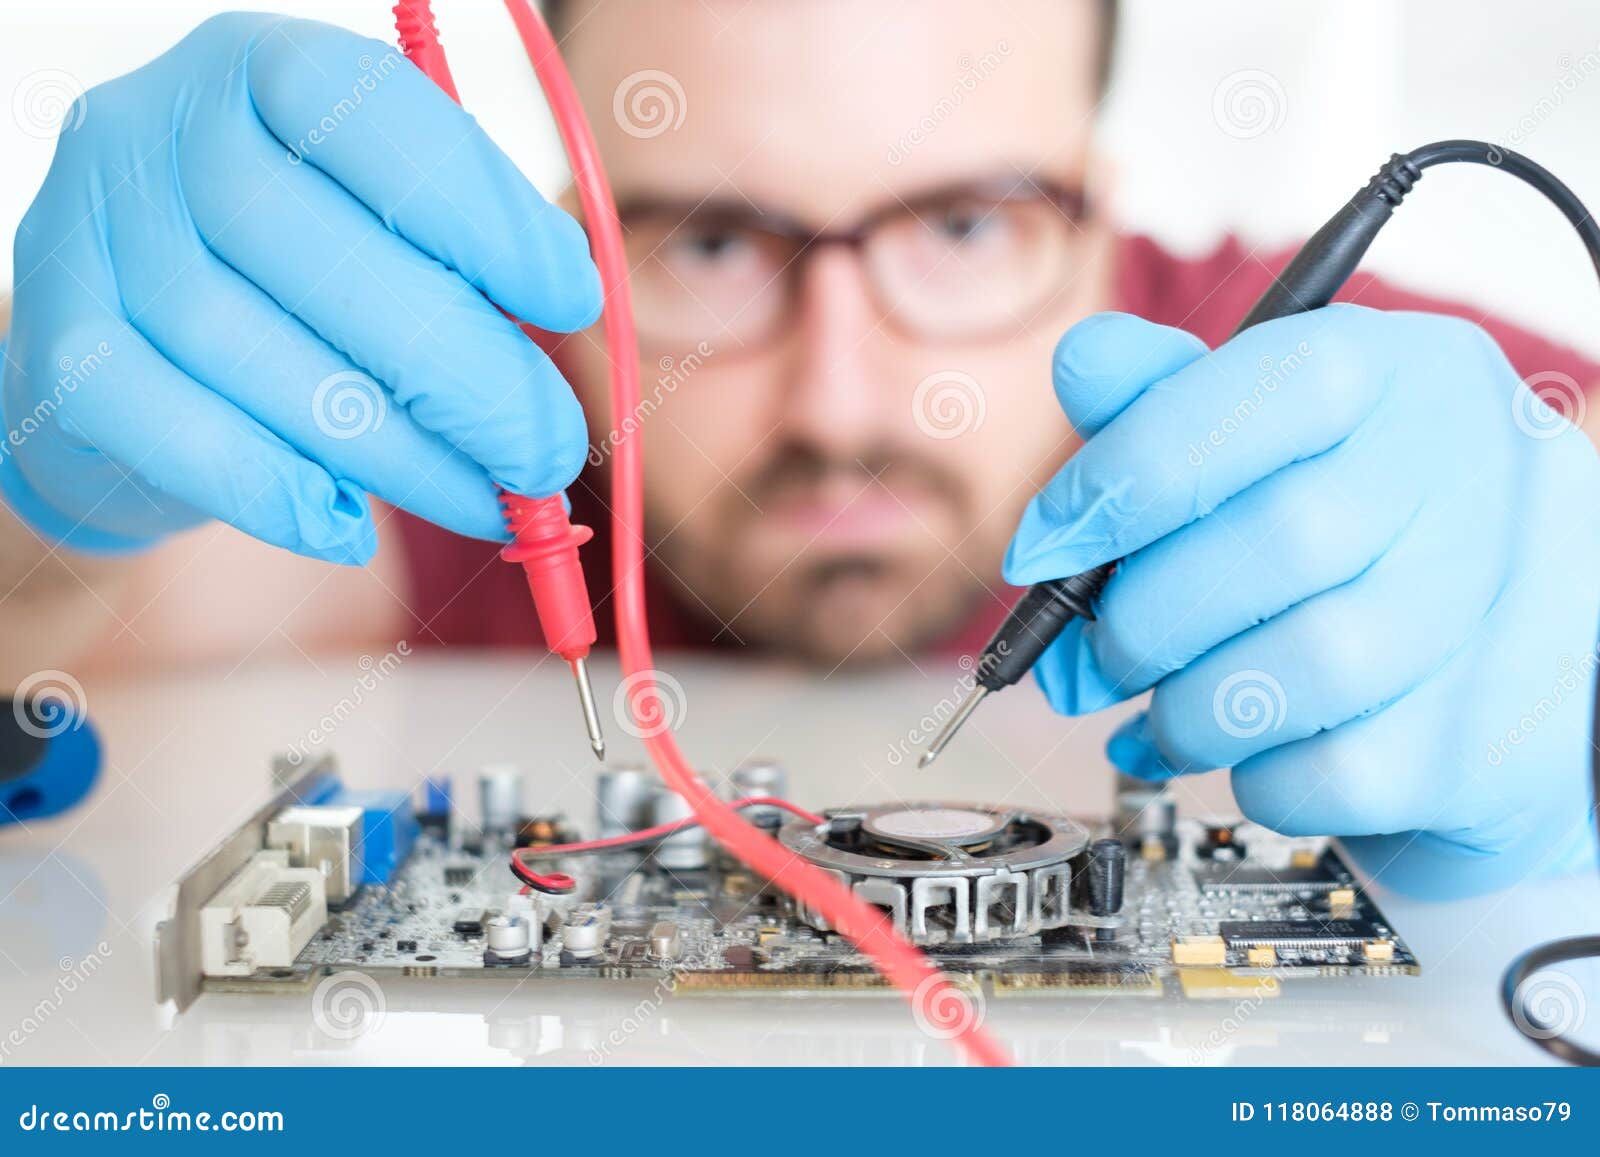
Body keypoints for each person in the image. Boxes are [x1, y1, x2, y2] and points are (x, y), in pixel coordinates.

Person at [2, 1, 1596, 895]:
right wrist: (38, 472)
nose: (838, 399)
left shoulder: (1349, 377)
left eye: (965, 223)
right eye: (705, 244)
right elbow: (52, 620)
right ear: (574, 231)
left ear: (1102, 214)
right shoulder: (474, 424)